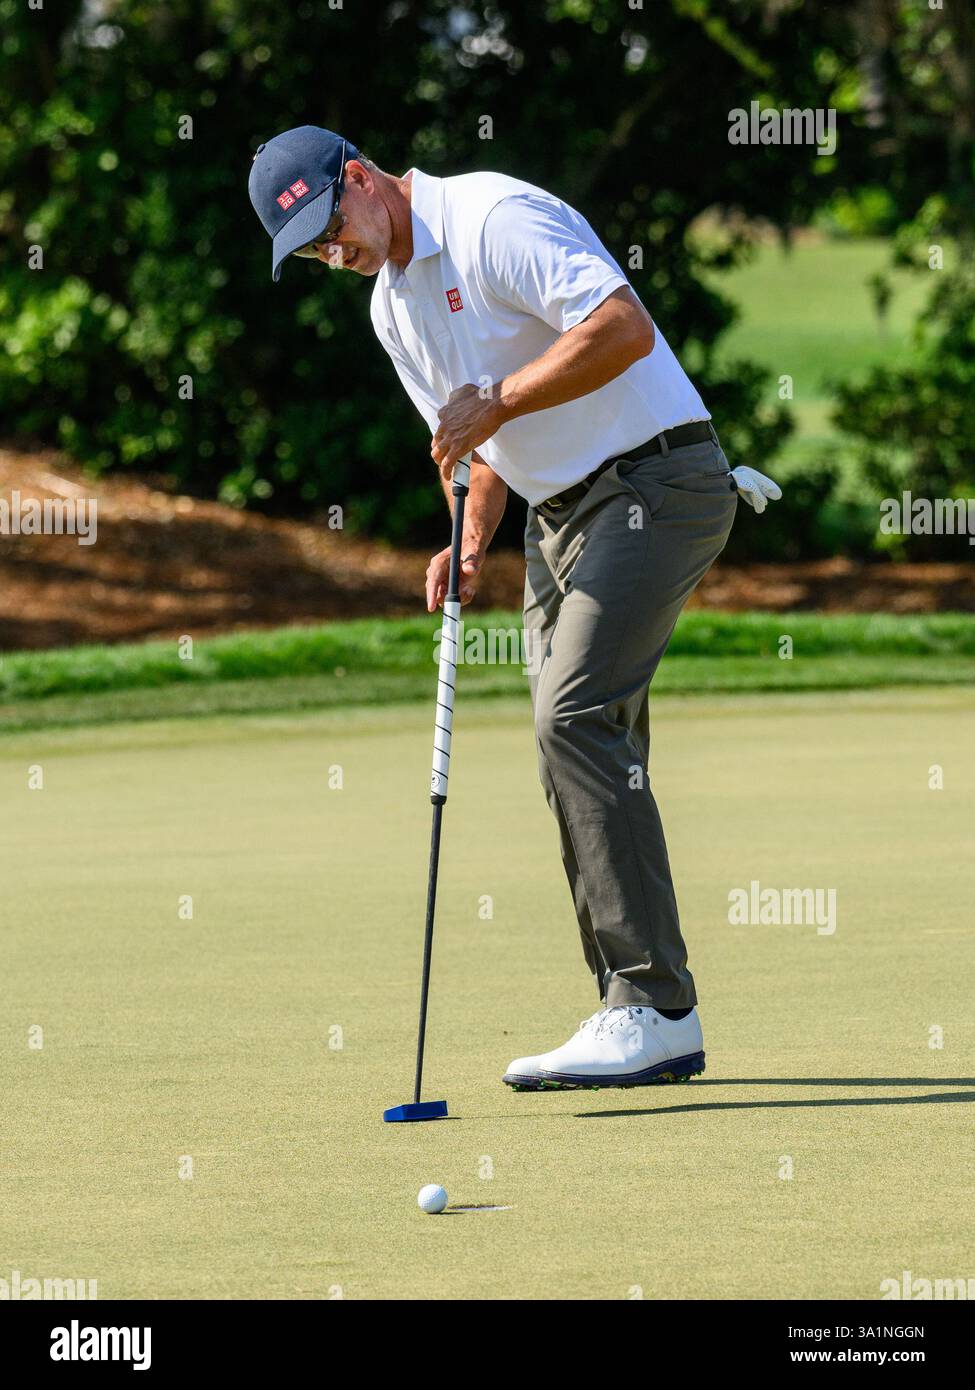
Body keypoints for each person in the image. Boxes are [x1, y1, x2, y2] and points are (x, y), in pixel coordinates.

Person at [248, 125, 781, 1091]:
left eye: (333, 228)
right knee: (577, 737)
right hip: (560, 518)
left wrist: (493, 401)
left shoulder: (493, 217)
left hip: (658, 480)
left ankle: (652, 1005)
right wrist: (468, 539)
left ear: (361, 178)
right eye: (315, 253)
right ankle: (635, 1007)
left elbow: (623, 328)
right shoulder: (391, 307)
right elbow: (476, 444)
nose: (336, 255)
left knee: (571, 714)